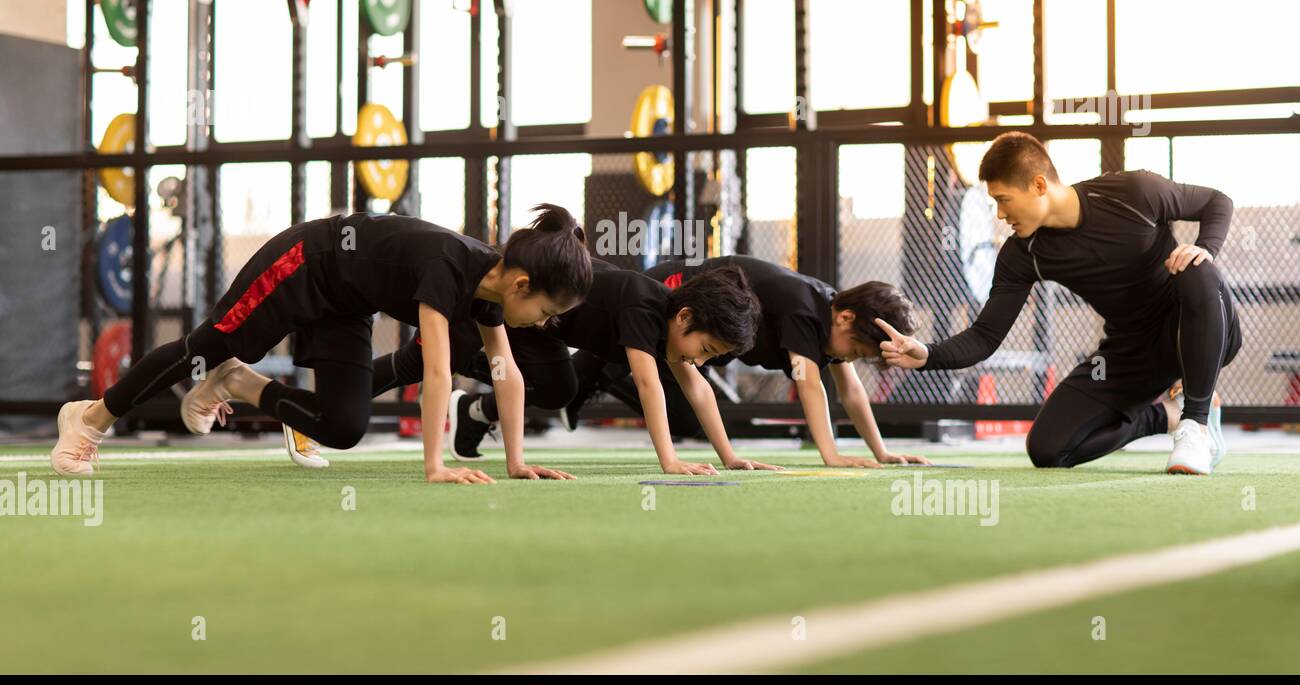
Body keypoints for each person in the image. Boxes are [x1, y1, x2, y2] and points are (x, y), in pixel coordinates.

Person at [51, 204, 592, 485]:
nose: (540, 325)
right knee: (212, 342)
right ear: (522, 284)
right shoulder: (449, 266)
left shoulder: (492, 294)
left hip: (346, 305)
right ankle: (91, 419)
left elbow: (507, 373)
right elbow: (437, 371)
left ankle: (239, 382)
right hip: (305, 264)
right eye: (544, 313)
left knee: (343, 427)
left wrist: (518, 462)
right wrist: (435, 466)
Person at [878, 131, 1238, 475]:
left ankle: (1196, 423)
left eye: (1003, 200)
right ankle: (1169, 416)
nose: (999, 215)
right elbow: (986, 335)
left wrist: (1205, 246)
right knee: (1049, 448)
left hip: (1198, 329)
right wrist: (927, 354)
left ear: (1038, 185)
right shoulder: (1022, 254)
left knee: (1196, 268)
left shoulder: (1133, 191)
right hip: (1132, 353)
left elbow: (1217, 201)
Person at [373, 258, 780, 475]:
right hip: (517, 310)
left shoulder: (675, 333)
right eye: (705, 349)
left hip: (544, 332)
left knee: (558, 391)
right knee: (418, 364)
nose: (700, 361)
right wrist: (670, 461)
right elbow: (647, 383)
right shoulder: (645, 306)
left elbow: (698, 387)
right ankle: (334, 400)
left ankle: (470, 411)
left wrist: (729, 456)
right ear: (686, 317)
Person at [583, 255, 929, 468]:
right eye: (854, 352)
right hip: (670, 298)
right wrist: (832, 455)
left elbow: (850, 390)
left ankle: (595, 373)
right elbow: (807, 382)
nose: (848, 359)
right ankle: (602, 371)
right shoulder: (804, 310)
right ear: (846, 319)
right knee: (627, 372)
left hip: (695, 338)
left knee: (687, 419)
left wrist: (881, 451)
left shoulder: (834, 319)